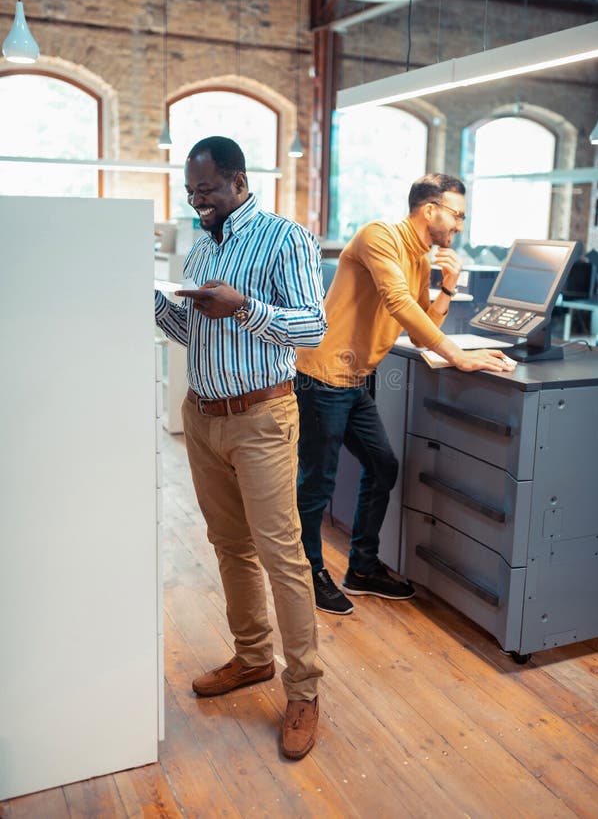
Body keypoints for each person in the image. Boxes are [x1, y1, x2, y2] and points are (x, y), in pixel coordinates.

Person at [155, 136, 326, 760]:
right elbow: (194, 328)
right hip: (202, 416)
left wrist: (245, 307)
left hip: (262, 418)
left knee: (283, 554)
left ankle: (304, 689)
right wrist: (154, 302)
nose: (198, 200)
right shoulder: (203, 240)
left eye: (207, 189)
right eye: (192, 190)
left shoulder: (286, 238)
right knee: (229, 546)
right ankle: (254, 658)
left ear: (238, 180)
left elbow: (311, 326)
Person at [295, 173, 515, 615]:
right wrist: (458, 355)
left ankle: (361, 568)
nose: (459, 226)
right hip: (322, 376)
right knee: (318, 481)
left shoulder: (418, 257)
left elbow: (417, 327)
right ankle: (306, 575)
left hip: (356, 381)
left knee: (383, 465)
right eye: (456, 215)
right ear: (429, 209)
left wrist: (449, 286)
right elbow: (398, 303)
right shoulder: (379, 236)